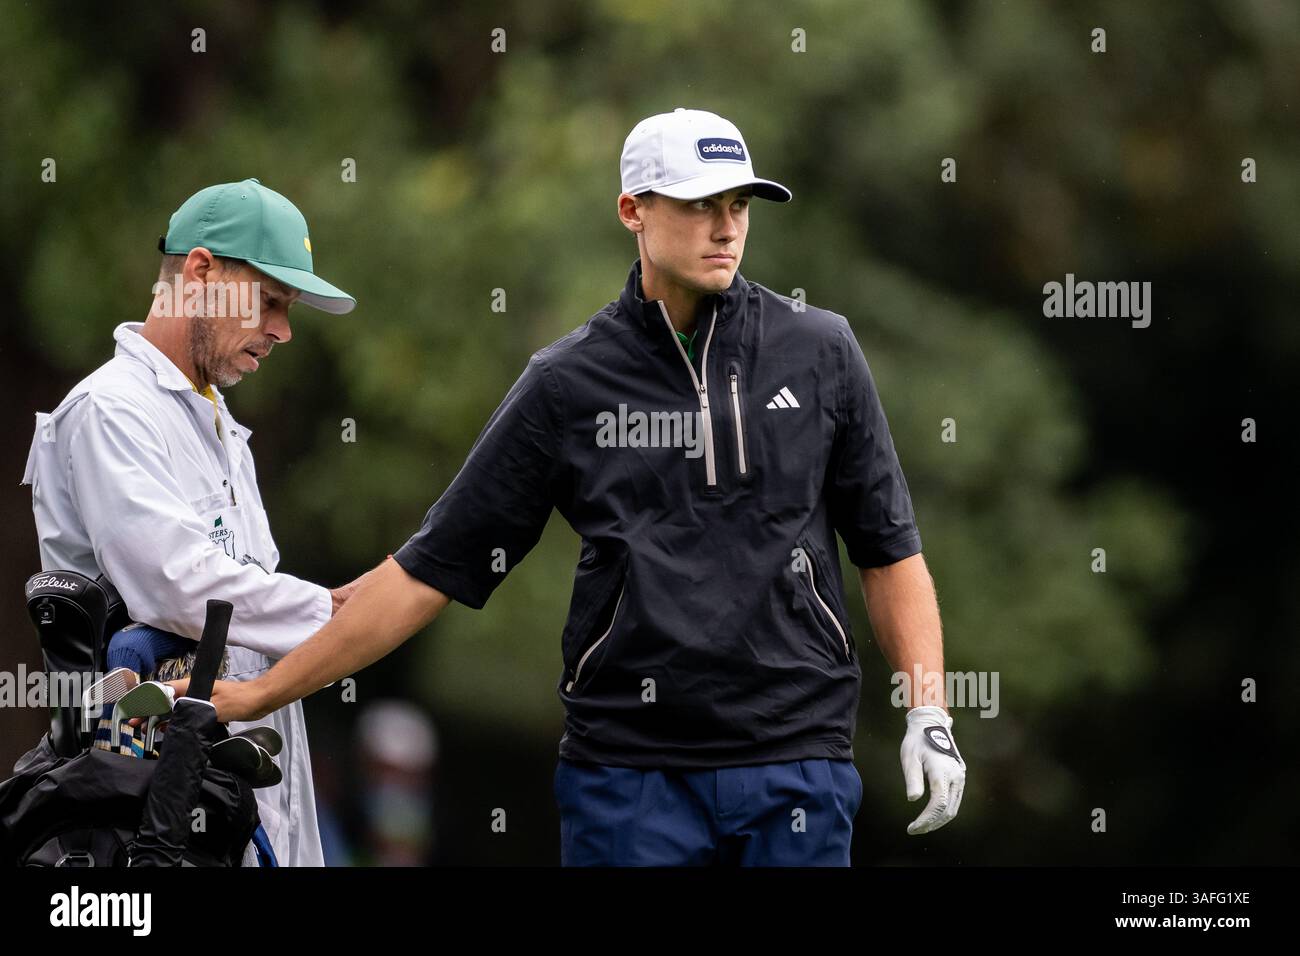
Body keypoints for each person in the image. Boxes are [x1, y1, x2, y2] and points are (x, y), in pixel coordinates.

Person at [199, 110, 966, 865]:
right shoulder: (568, 383)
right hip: (628, 780)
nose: (726, 228)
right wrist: (260, 693)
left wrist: (928, 708)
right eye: (700, 205)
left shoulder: (821, 349)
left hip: (796, 766)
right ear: (634, 210)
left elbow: (889, 552)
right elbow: (430, 571)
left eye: (737, 205)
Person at [21, 178, 375, 866]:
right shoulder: (108, 412)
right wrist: (348, 616)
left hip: (236, 814)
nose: (283, 330)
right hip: (146, 821)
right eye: (271, 302)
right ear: (201, 271)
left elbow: (244, 637)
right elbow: (181, 589)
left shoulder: (218, 427)